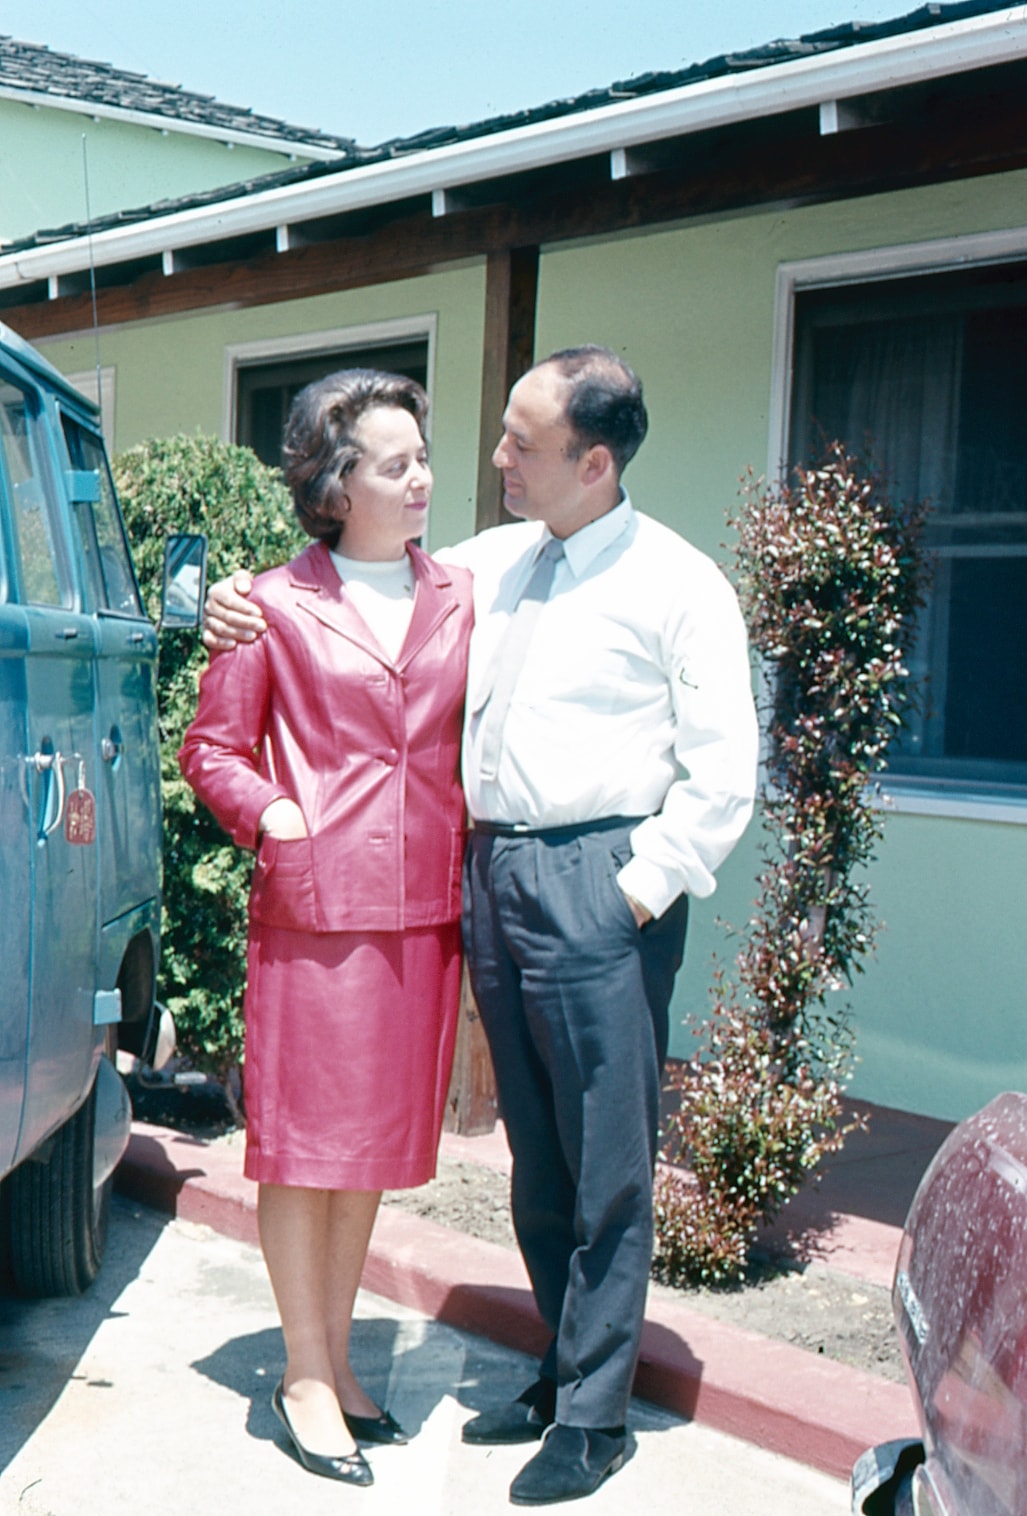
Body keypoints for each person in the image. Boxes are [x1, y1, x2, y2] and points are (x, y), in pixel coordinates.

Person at [204, 346, 759, 1506]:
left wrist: (635, 890)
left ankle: (594, 1415)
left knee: (608, 1157)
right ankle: (559, 1373)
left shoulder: (679, 583)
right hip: (488, 881)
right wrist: (231, 600)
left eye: (520, 443)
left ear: (593, 462)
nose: (491, 461)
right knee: (539, 1158)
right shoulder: (492, 564)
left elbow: (723, 775)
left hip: (602, 879)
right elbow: (353, 581)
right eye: (494, 436)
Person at [180, 369, 473, 1489]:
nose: (422, 481)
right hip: (313, 913)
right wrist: (278, 817)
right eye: (396, 464)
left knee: (365, 1162)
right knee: (304, 1157)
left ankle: (336, 1358)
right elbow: (210, 752)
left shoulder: (459, 589)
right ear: (336, 483)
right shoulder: (270, 604)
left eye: (422, 458)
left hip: (421, 917)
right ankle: (305, 1377)